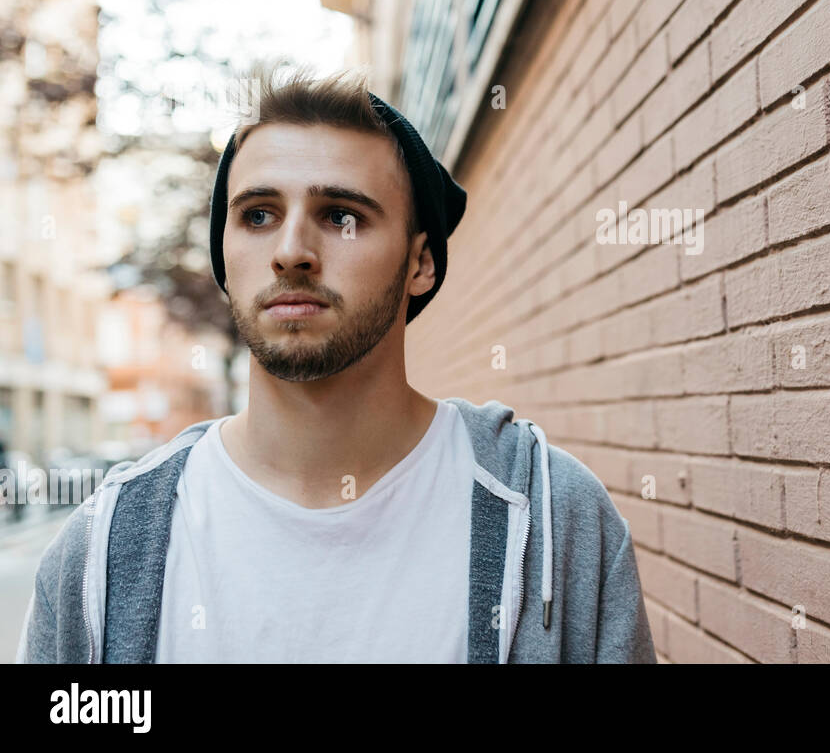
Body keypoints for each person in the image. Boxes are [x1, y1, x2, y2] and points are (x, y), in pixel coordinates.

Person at [15, 63, 656, 663]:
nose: (291, 250)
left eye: (341, 215)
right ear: (225, 253)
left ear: (419, 263)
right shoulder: (104, 551)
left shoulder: (554, 518)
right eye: (258, 215)